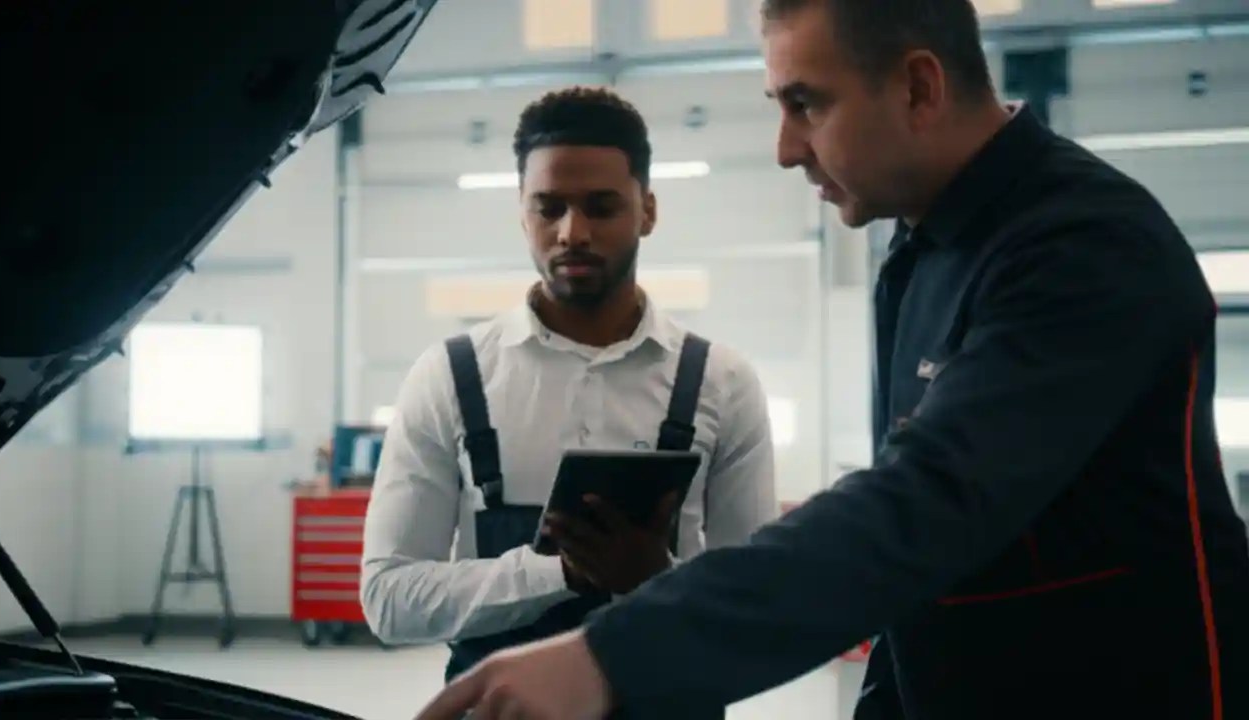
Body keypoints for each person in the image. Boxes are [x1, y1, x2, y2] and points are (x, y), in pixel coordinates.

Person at [414, 1, 1249, 719]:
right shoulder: (920, 255)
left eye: (806, 105)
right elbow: (919, 578)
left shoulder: (1085, 246)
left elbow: (921, 508)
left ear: (919, 86)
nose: (785, 148)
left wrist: (605, 656)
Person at [359, 86, 779, 696]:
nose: (571, 232)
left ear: (648, 211)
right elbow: (388, 599)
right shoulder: (450, 376)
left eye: (601, 207)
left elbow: (755, 607)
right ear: (522, 213)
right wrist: (557, 573)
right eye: (548, 207)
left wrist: (657, 577)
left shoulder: (723, 382)